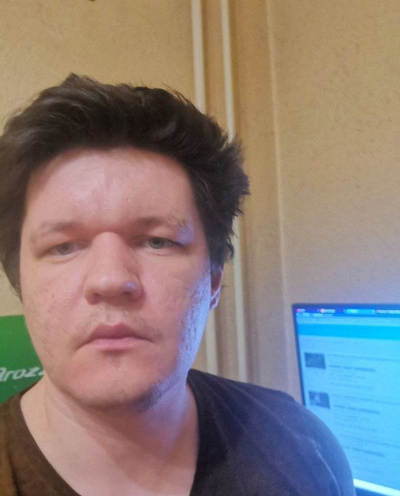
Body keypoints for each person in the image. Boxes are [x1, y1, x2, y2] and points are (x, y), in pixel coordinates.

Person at [0, 75, 355, 496]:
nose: (110, 280)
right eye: (63, 247)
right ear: (19, 281)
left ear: (214, 280)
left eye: (157, 241)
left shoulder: (301, 446)